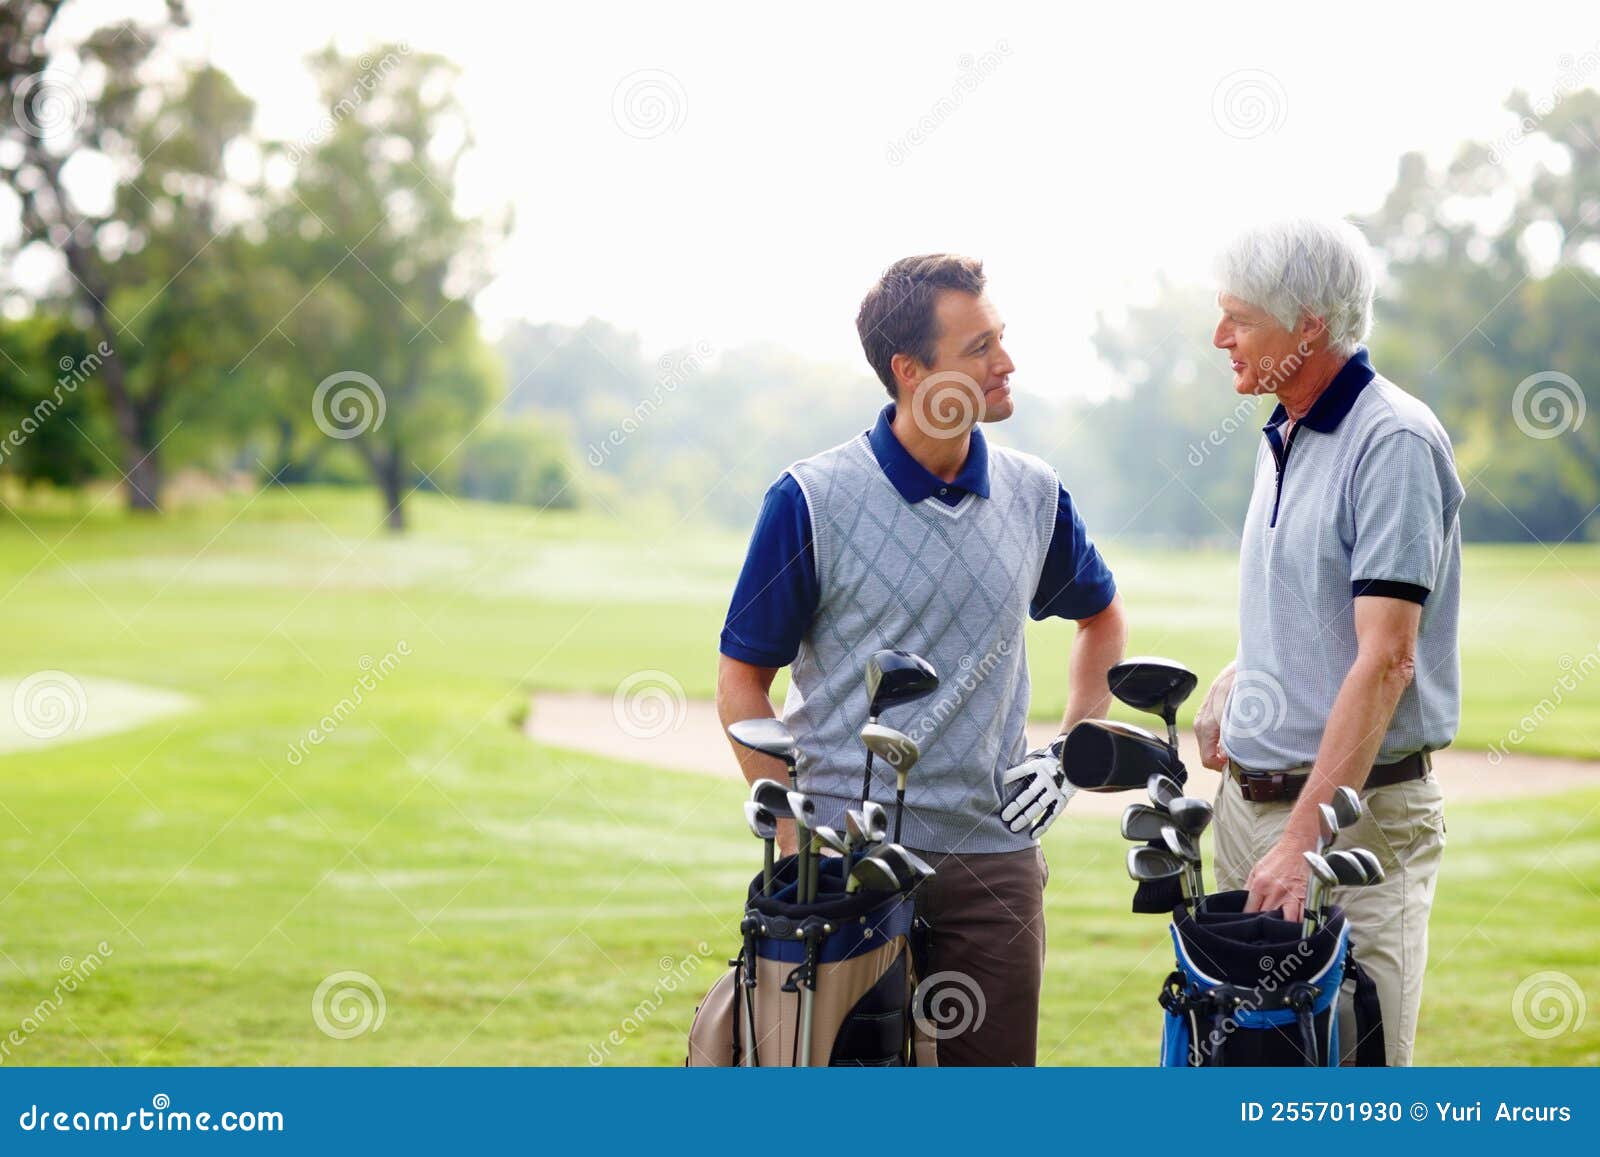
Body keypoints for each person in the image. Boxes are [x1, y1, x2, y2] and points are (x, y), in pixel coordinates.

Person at [716, 254, 1127, 1065]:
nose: (1006, 362)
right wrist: (799, 842)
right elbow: (740, 678)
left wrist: (1070, 753)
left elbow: (1102, 620)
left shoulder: (1034, 493)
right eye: (980, 347)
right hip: (842, 862)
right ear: (911, 371)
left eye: (1001, 339)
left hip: (992, 861)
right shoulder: (810, 499)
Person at [1193, 217, 1461, 1066]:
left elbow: (1386, 657)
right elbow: (1321, 614)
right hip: (1252, 814)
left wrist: (1301, 841)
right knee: (1245, 1078)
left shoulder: (1393, 441)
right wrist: (1243, 676)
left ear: (1308, 322)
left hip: (1351, 824)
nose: (1219, 336)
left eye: (1239, 317)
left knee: (1354, 1079)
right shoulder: (1285, 430)